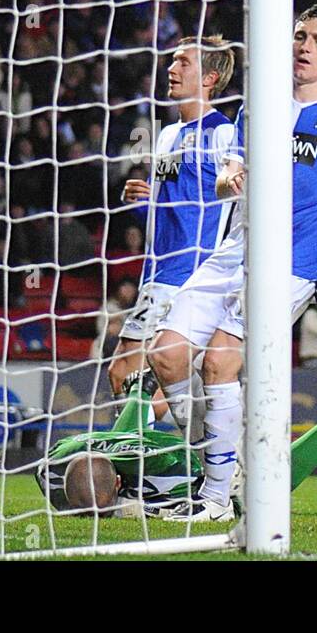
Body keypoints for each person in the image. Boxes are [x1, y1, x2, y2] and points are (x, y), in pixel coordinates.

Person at [148, 5, 317, 521]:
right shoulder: (255, 106)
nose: (304, 46)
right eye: (299, 36)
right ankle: (223, 456)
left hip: (292, 266)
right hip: (235, 251)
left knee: (219, 361)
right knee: (167, 355)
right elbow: (226, 177)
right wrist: (228, 181)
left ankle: (215, 498)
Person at [38, 371, 317, 515]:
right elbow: (122, 434)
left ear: (119, 484)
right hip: (179, 380)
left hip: (198, 433)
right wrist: (140, 391)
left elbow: (191, 469)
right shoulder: (55, 460)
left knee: (258, 495)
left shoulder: (160, 467)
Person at [109, 36, 236, 416]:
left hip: (188, 274)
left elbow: (231, 200)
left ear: (210, 78)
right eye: (172, 61)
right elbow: (176, 198)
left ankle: (136, 460)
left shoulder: (224, 134)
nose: (171, 69)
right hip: (157, 269)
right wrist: (143, 197)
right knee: (144, 381)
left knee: (125, 372)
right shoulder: (164, 135)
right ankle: (214, 449)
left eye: (183, 63)